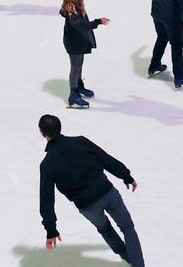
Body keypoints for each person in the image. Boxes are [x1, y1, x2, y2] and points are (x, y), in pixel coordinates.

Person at [37, 114, 145, 267]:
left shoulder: (47, 164)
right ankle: (138, 264)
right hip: (107, 193)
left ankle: (128, 258)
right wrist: (125, 175)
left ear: (43, 134)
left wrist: (51, 230)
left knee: (105, 229)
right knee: (127, 227)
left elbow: (46, 200)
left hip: (87, 206)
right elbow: (105, 159)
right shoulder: (80, 141)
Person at [60, 0, 107, 109]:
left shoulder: (77, 6)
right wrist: (98, 22)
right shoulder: (71, 11)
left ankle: (79, 85)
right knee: (75, 67)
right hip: (74, 43)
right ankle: (73, 94)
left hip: (79, 41)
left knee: (79, 65)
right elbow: (81, 26)